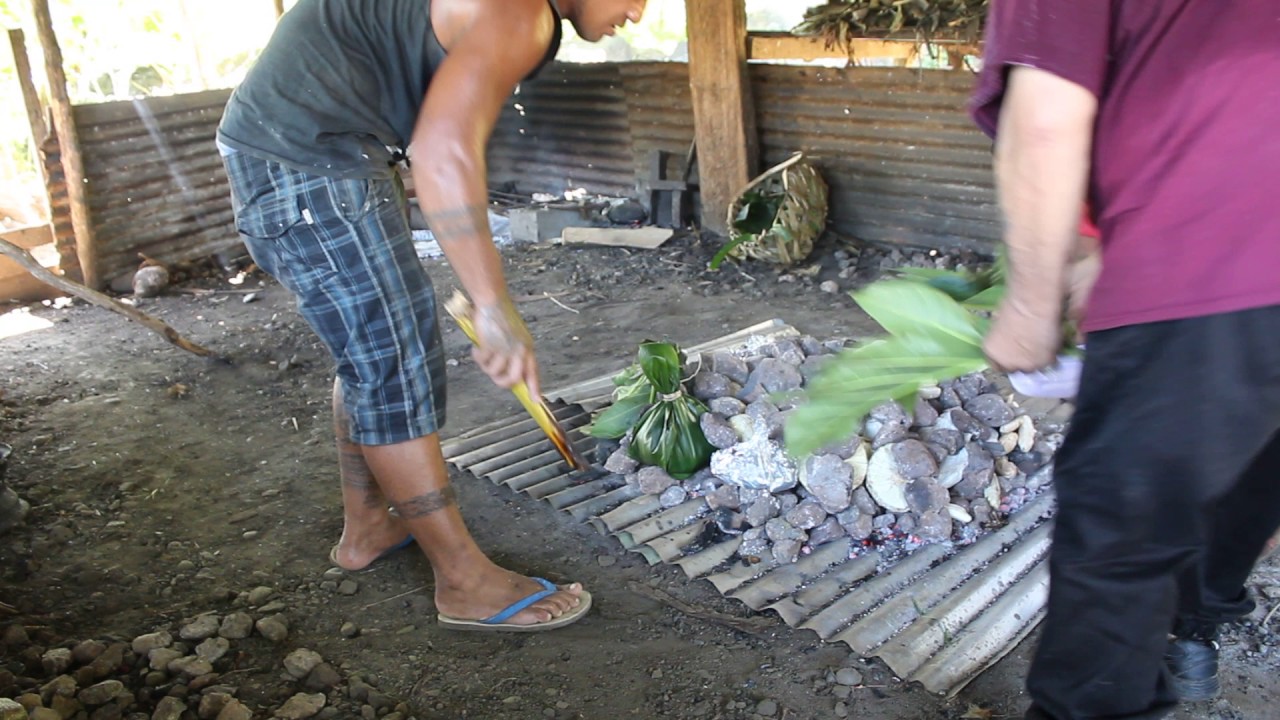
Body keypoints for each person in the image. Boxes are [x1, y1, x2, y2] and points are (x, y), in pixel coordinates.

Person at [216, 0, 646, 632]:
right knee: (394, 359)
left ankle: (368, 527)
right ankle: (465, 583)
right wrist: (492, 305)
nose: (637, 12)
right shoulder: (522, 13)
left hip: (307, 150)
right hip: (306, 161)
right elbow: (442, 153)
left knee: (375, 348)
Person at [970, 2, 1280, 718]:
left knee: (1119, 529)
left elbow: (1046, 118)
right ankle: (1193, 632)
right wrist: (1100, 255)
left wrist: (1029, 308)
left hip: (1209, 249)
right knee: (1250, 470)